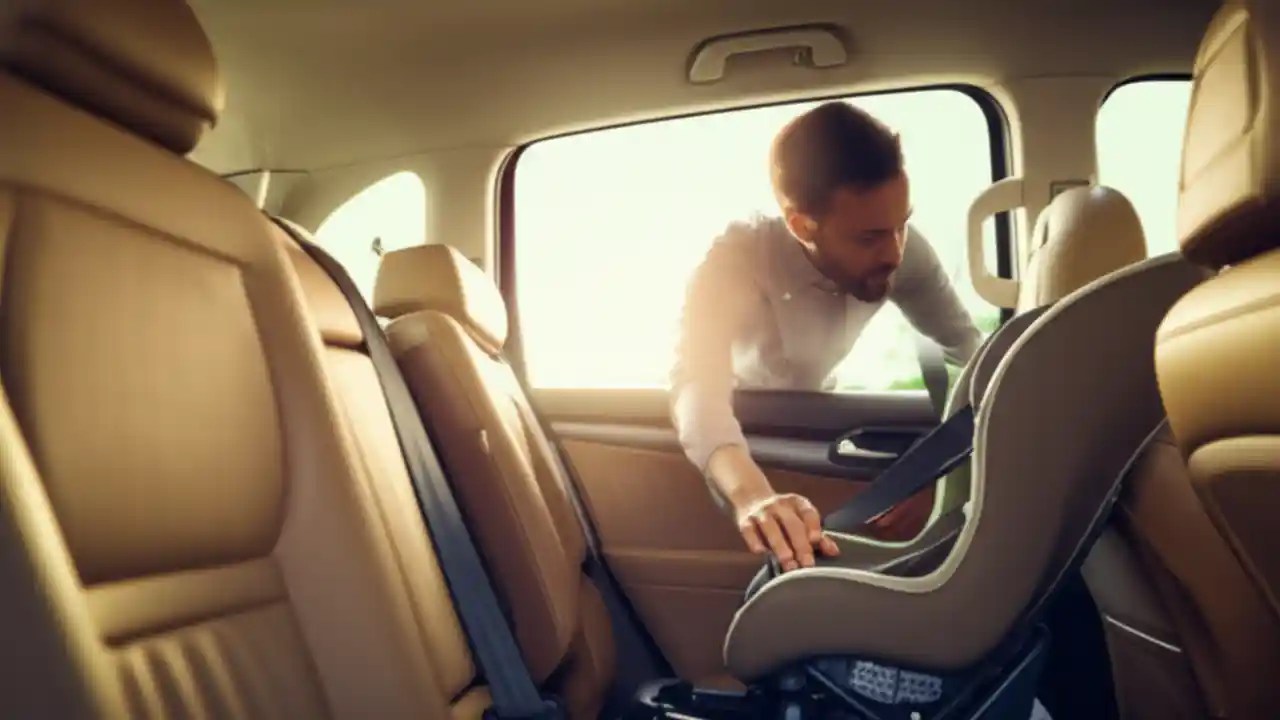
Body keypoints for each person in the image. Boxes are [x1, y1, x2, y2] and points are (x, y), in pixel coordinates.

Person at [669, 101, 983, 574]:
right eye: (869, 237)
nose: (894, 252)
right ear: (801, 225)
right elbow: (697, 386)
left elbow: (976, 355)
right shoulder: (736, 259)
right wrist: (753, 498)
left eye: (902, 225)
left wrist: (947, 473)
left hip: (816, 415)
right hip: (740, 432)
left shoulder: (905, 251)